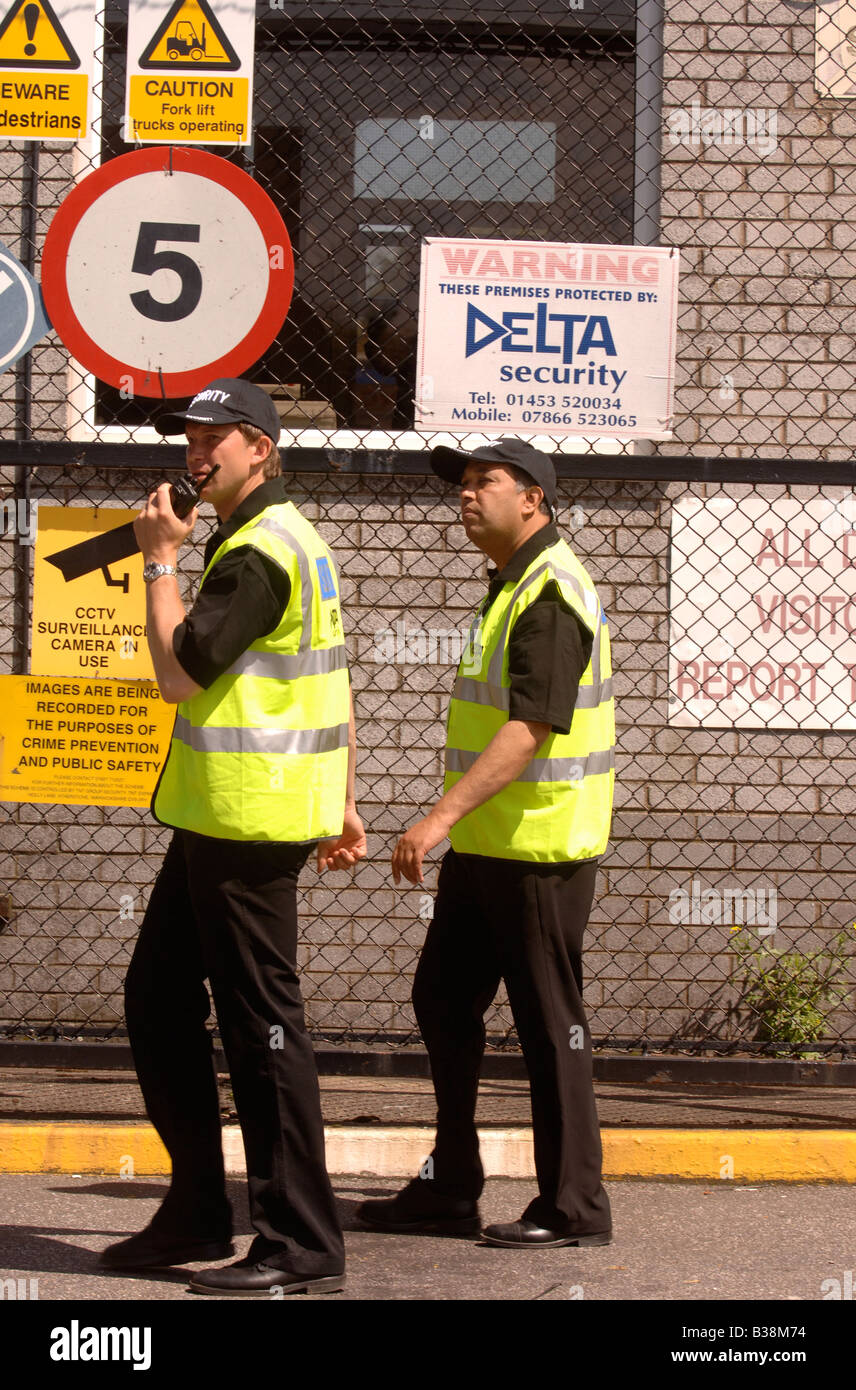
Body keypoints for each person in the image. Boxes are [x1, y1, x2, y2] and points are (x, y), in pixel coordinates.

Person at [100, 377, 365, 1295]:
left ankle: (300, 1243)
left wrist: (156, 561)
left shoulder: (256, 553)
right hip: (223, 814)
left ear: (262, 448)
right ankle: (199, 1206)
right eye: (188, 437)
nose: (196, 451)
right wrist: (342, 797)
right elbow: (330, 679)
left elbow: (179, 679)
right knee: (157, 996)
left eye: (216, 437)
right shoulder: (279, 539)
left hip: (247, 819)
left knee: (263, 1030)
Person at [357, 439, 614, 1247]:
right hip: (491, 846)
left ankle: (574, 1208)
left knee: (551, 1027)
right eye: (462, 485)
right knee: (442, 999)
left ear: (532, 499)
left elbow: (531, 728)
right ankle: (450, 1183)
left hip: (536, 849)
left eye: (484, 483)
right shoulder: (510, 583)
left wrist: (435, 819)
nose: (465, 496)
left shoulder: (548, 592)